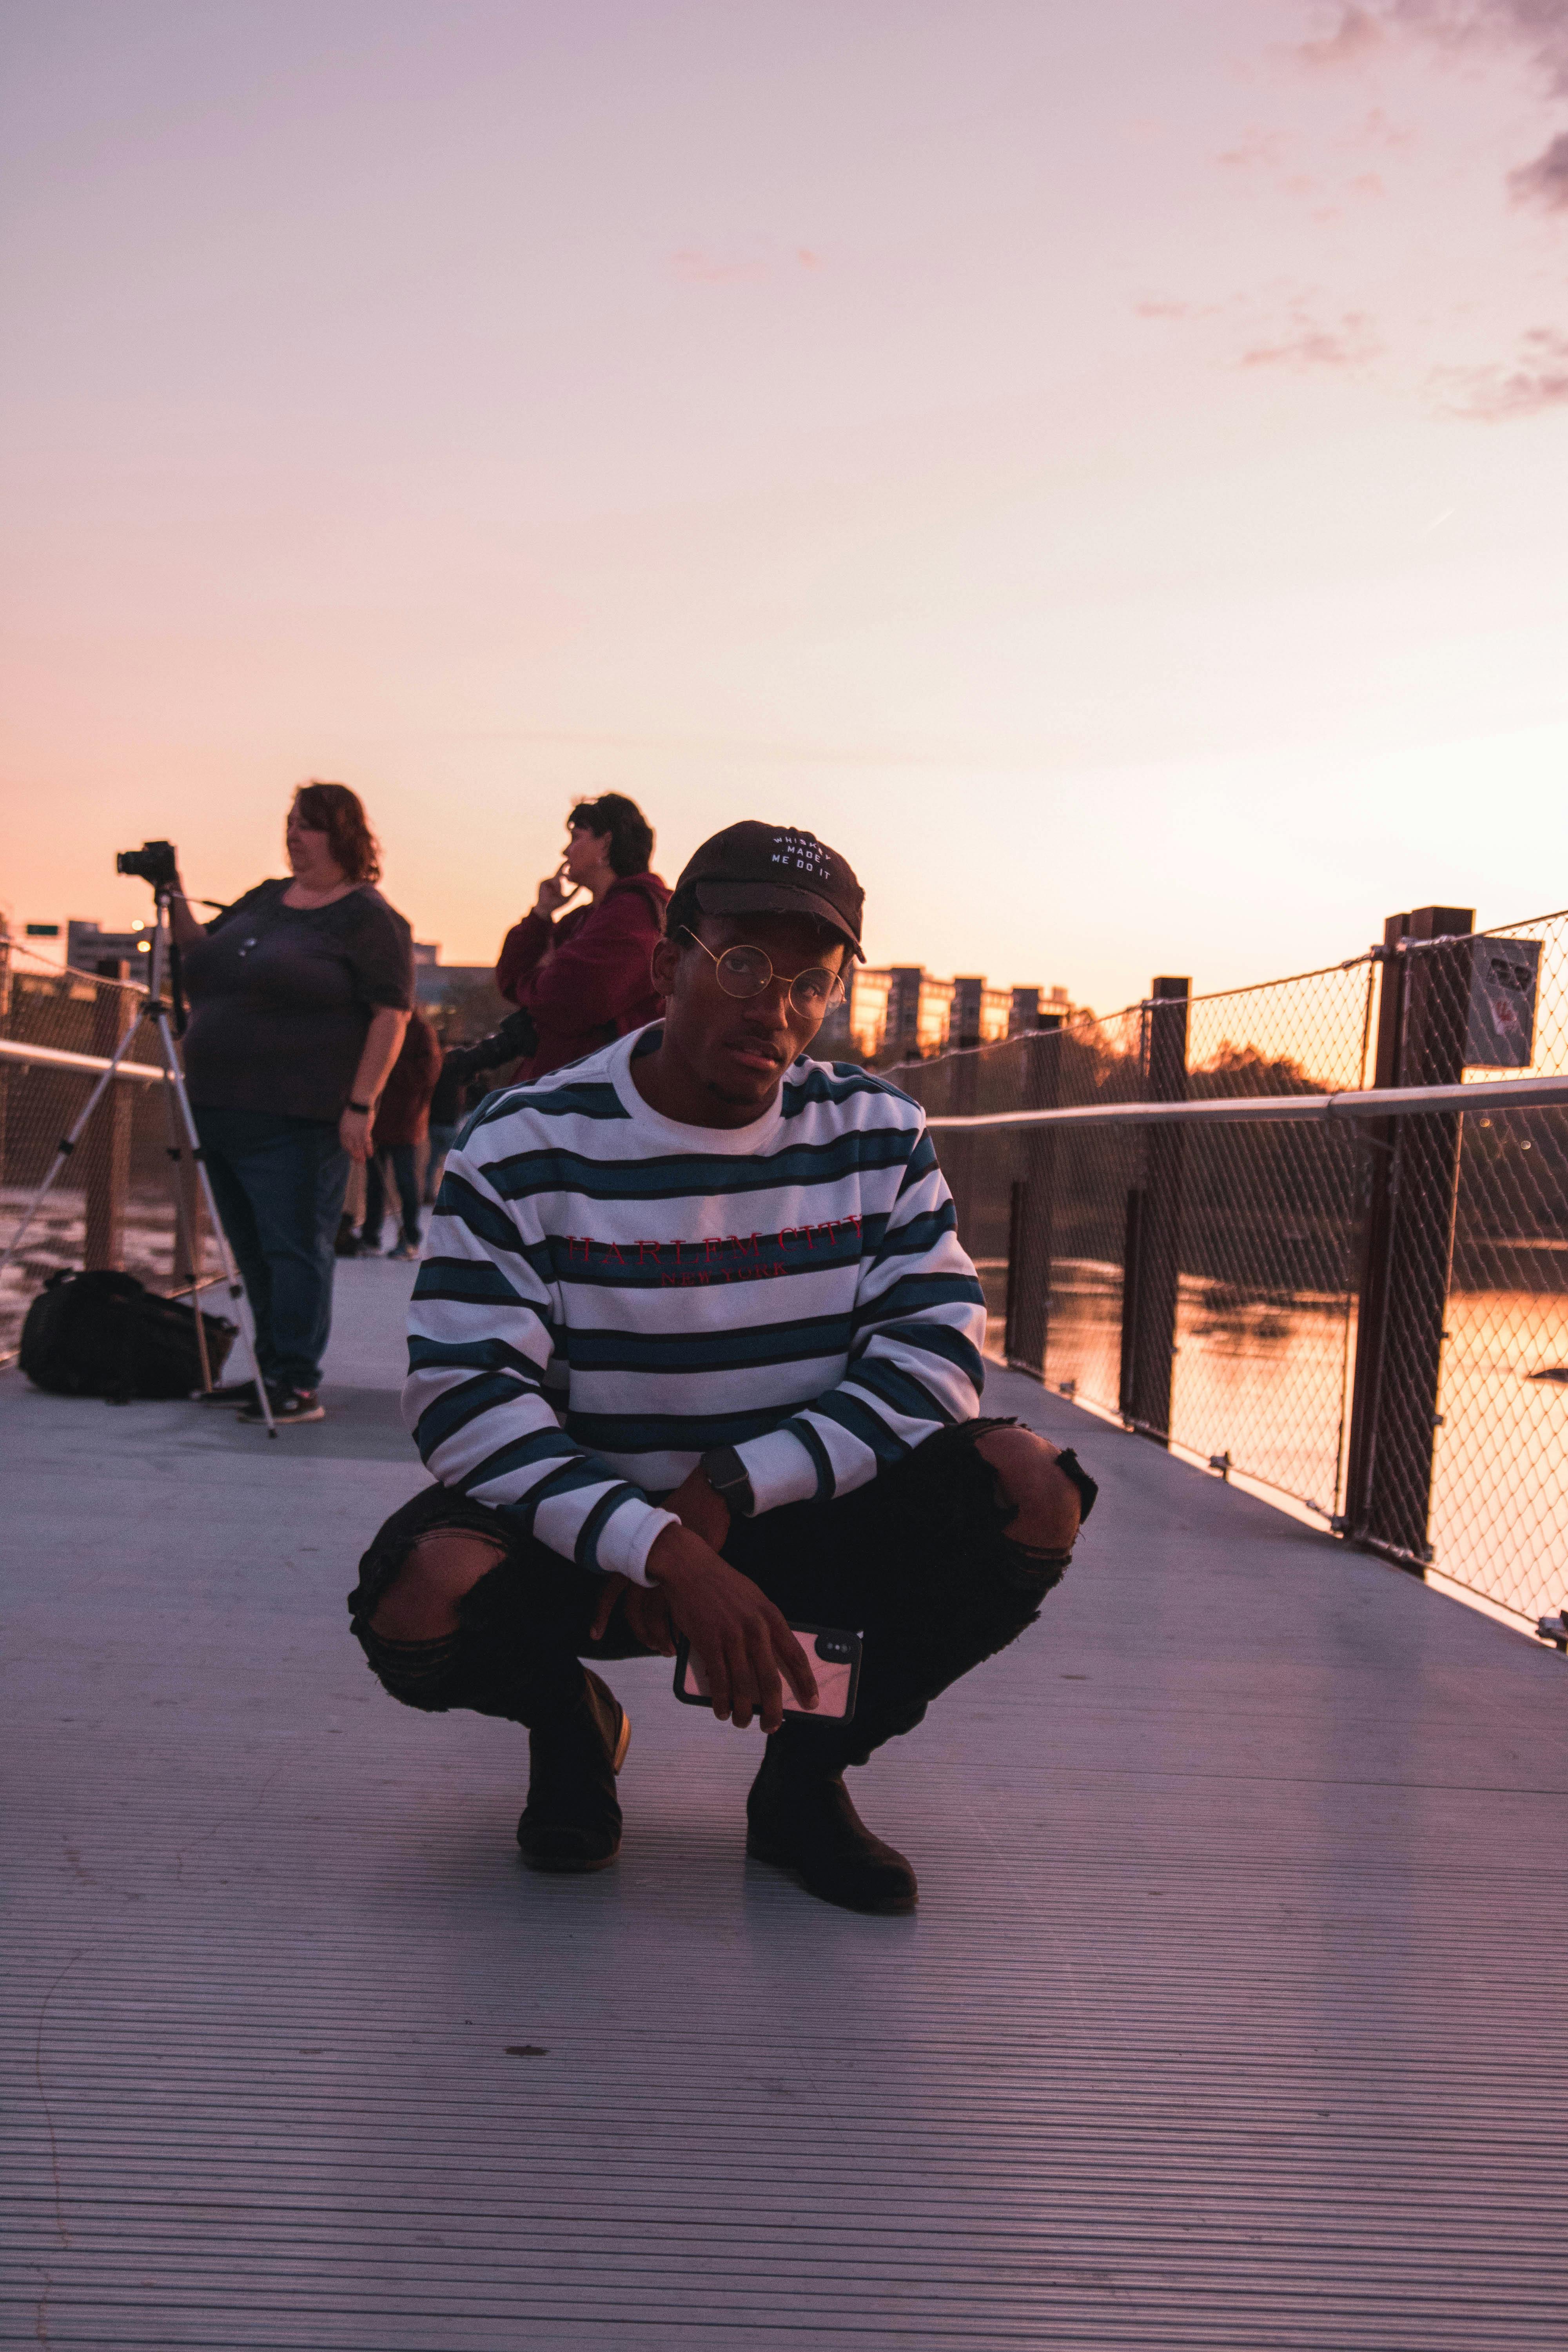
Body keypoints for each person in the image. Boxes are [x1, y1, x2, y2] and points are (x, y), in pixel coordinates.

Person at [348, 821, 1097, 1915]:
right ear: (668, 966)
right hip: (591, 1526)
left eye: (812, 982)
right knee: (420, 1600)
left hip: (790, 1518)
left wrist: (730, 1490)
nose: (777, 1006)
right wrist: (655, 1548)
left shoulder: (874, 1134)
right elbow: (467, 1398)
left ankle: (803, 1780)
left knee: (1029, 1488)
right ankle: (571, 1727)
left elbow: (935, 1356)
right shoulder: (522, 1143)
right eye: (743, 962)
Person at [171, 781, 414, 1424]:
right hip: (221, 1108)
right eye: (290, 823)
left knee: (295, 1248)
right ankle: (266, 1371)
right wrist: (172, 892)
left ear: (343, 835)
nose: (294, 835)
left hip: (300, 1118)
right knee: (253, 1254)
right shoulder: (265, 899)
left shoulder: (369, 916)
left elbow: (392, 1015)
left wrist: (361, 1106)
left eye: (308, 825)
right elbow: (201, 956)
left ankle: (297, 1383)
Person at [493, 793, 668, 1079]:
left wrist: (544, 972)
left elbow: (563, 1002)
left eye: (576, 838)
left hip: (592, 1098)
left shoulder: (633, 915)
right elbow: (510, 980)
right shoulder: (585, 919)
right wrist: (541, 914)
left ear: (606, 844)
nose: (566, 852)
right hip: (564, 1089)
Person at [352, 1006, 442, 1259]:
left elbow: (428, 1074)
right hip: (378, 1119)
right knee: (375, 1184)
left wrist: (387, 1065)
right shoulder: (379, 1024)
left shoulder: (421, 1032)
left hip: (405, 1120)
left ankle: (410, 1238)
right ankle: (371, 1237)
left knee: (406, 1182)